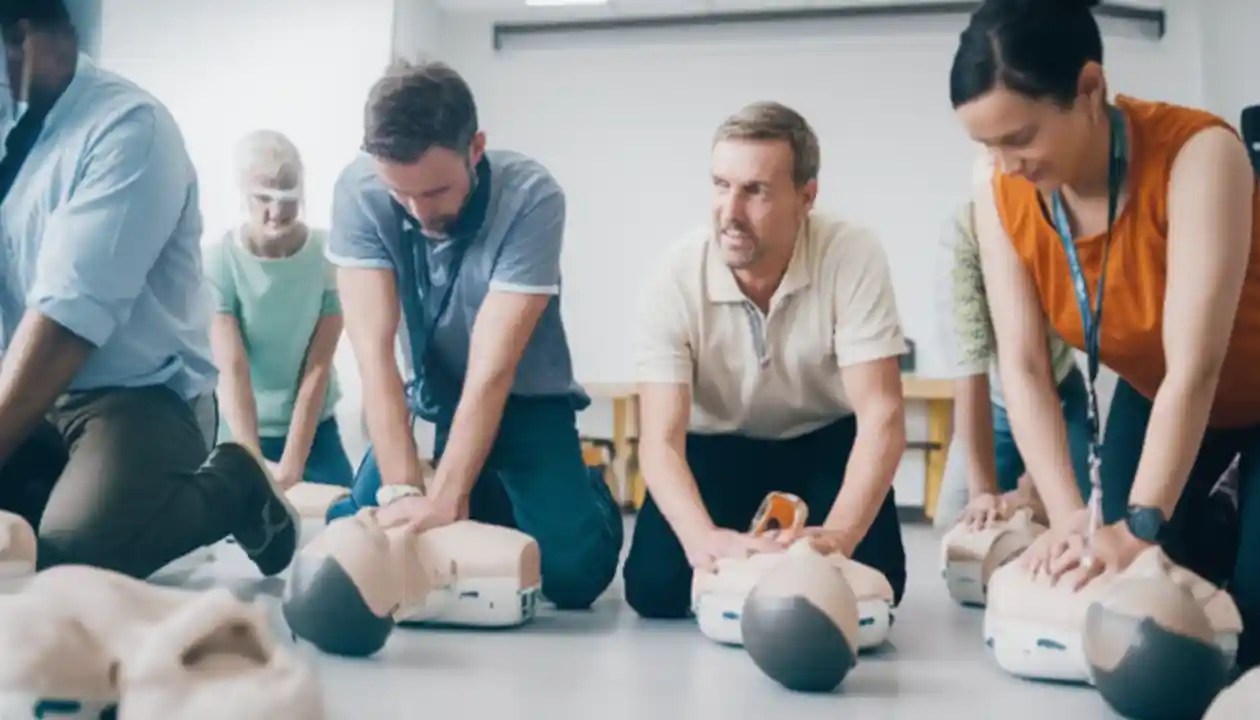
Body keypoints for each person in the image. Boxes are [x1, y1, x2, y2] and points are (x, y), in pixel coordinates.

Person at [950, 0, 1260, 671]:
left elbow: (1195, 368)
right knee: (1131, 594)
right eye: (987, 145)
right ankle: (1219, 521)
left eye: (1020, 138)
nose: (1006, 165)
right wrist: (1071, 516)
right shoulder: (998, 184)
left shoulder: (1200, 154)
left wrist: (1141, 524)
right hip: (1154, 393)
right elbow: (1024, 365)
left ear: (1089, 88)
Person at [0, 0, 296, 579]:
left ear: (25, 44)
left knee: (75, 556)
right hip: (26, 388)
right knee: (19, 542)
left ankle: (234, 484)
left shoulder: (128, 129)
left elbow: (65, 324)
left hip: (139, 394)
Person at [325, 60, 622, 610]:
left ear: (476, 148)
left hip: (525, 401)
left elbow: (493, 370)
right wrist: (405, 494)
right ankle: (476, 487)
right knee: (357, 534)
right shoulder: (359, 192)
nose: (418, 211)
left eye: (436, 190)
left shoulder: (531, 197)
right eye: (401, 194)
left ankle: (584, 492)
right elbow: (374, 356)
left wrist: (445, 499)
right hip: (436, 400)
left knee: (572, 577)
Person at [623, 101, 909, 618]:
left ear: (806, 197)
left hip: (823, 440)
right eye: (720, 185)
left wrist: (839, 538)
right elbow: (661, 439)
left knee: (874, 582)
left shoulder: (852, 254)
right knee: (656, 590)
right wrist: (703, 540)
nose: (729, 212)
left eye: (755, 191)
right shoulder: (673, 275)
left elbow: (881, 416)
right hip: (715, 444)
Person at [205, 129, 354, 490]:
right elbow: (233, 368)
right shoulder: (219, 260)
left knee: (345, 510)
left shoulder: (329, 255)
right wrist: (252, 460)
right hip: (239, 428)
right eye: (263, 198)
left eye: (287, 197)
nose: (276, 212)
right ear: (244, 193)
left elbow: (318, 365)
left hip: (313, 429)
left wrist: (292, 464)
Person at [930, 199, 1092, 529]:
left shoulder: (1067, 223)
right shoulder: (966, 228)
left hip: (1059, 391)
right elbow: (968, 362)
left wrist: (1037, 482)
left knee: (1072, 517)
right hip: (992, 399)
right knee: (954, 521)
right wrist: (982, 491)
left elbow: (1034, 363)